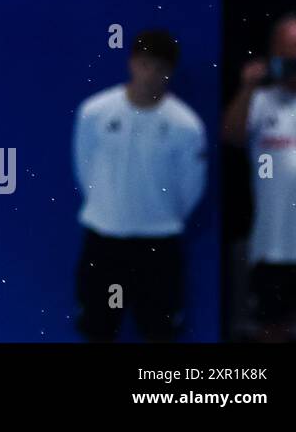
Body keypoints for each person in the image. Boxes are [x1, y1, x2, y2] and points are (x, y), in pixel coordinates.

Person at [72, 30, 206, 341]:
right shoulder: (94, 112)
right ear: (132, 62)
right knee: (97, 330)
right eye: (144, 64)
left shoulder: (186, 126)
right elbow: (85, 168)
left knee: (159, 331)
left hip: (158, 247)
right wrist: (110, 211)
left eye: (159, 68)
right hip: (104, 242)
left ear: (170, 72)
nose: (150, 75)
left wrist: (156, 218)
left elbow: (190, 189)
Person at [222, 13, 296, 341]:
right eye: (291, 48)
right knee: (271, 331)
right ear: (275, 52)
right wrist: (248, 87)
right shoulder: (260, 101)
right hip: (271, 245)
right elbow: (231, 135)